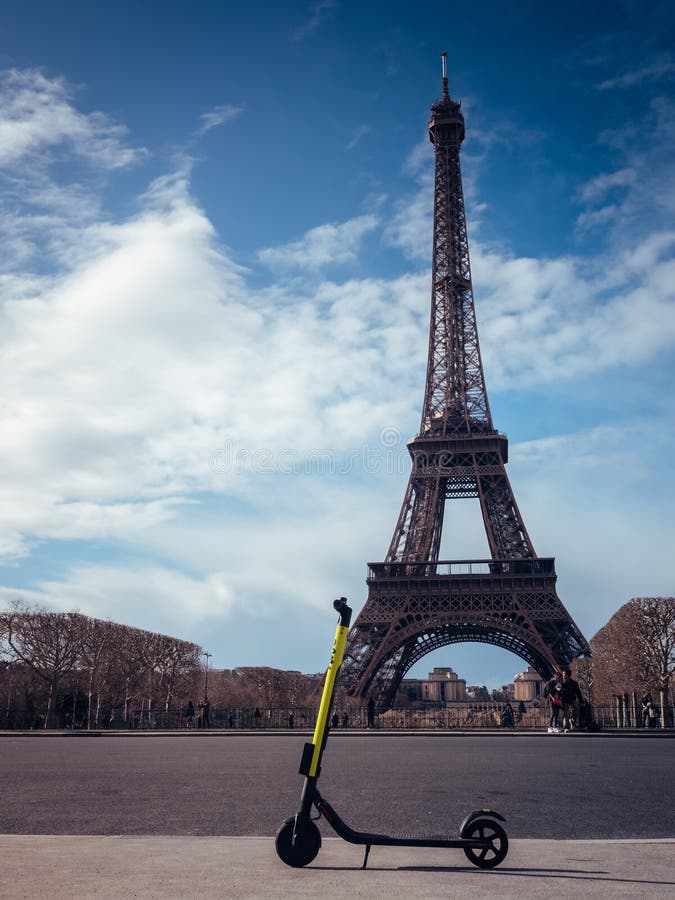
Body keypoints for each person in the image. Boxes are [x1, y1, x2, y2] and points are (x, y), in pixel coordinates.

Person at [560, 668, 583, 733]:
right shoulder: (561, 683)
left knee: (576, 708)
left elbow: (578, 692)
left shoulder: (574, 683)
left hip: (572, 698)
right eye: (563, 674)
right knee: (566, 713)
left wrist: (581, 701)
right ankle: (566, 727)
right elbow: (556, 690)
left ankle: (572, 721)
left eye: (564, 674)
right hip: (564, 699)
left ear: (568, 675)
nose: (563, 675)